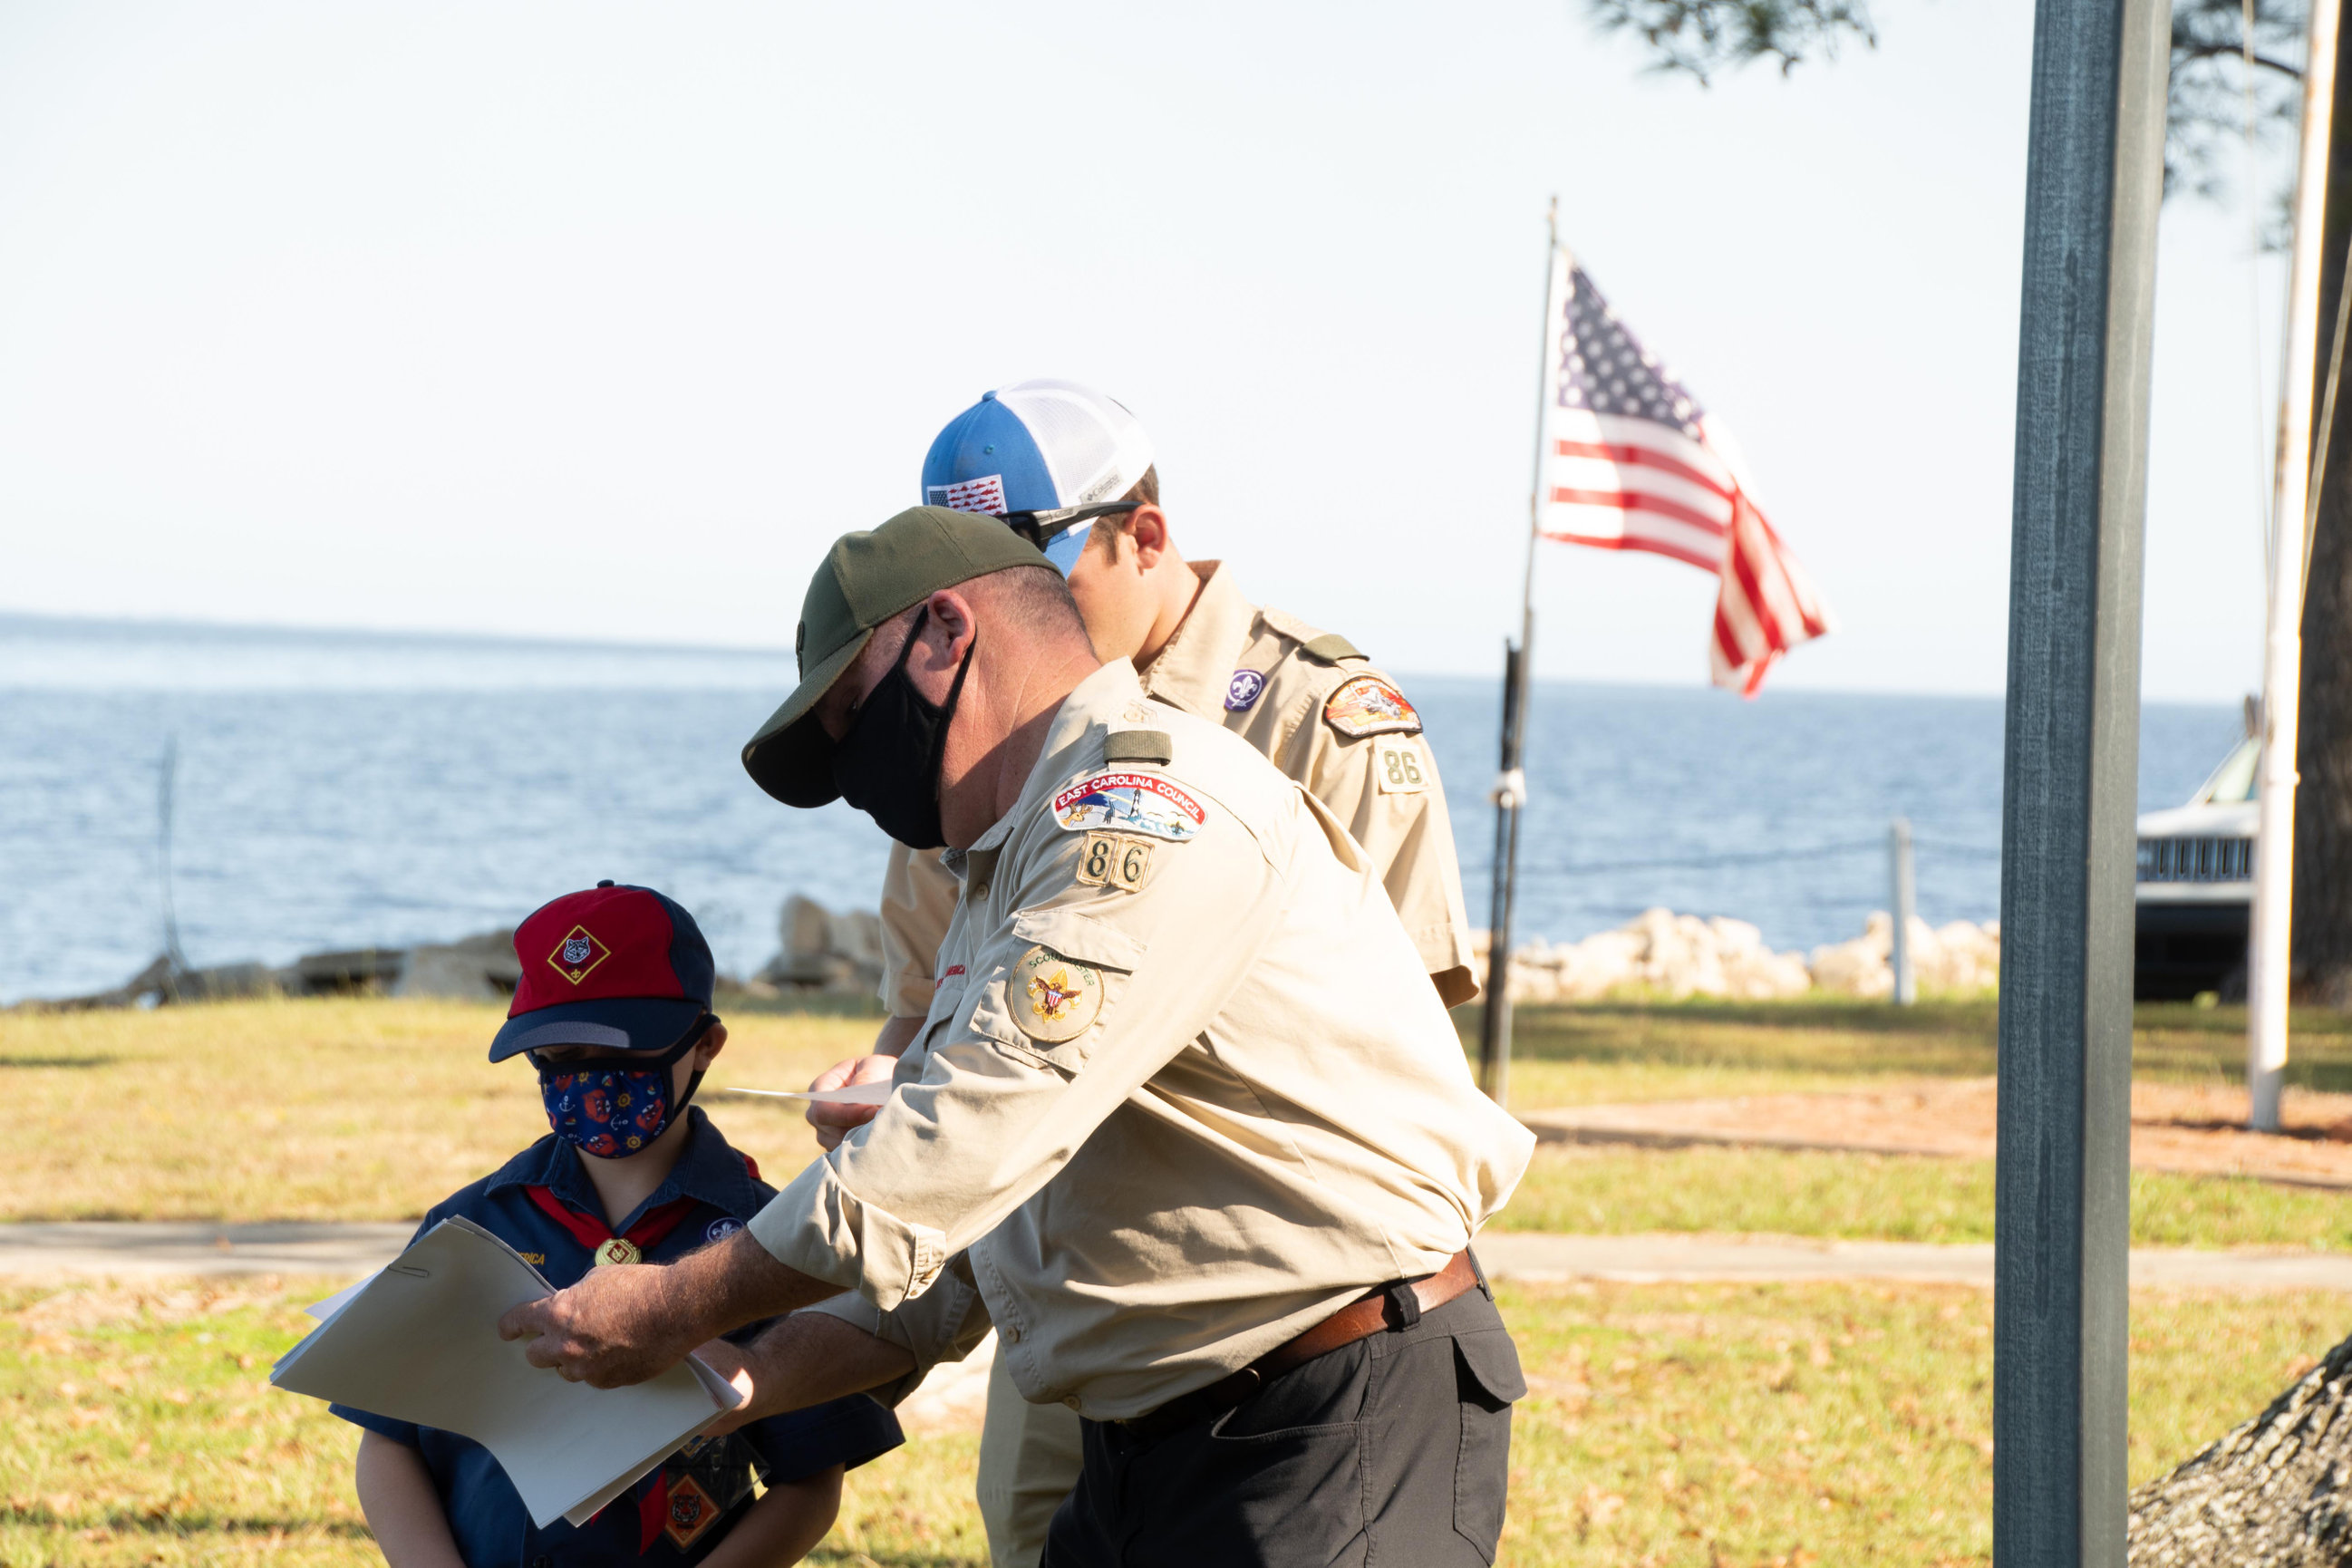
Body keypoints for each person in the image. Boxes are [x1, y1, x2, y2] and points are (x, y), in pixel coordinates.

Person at [497, 508, 1535, 1567]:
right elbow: (953, 1247)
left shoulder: (1142, 812)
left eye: (853, 713)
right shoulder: (1014, 866)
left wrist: (673, 1301)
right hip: (1160, 1443)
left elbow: (958, 1142)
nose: (853, 769)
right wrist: (729, 1377)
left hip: (1332, 1420)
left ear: (947, 632)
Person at [819, 380, 1482, 1567]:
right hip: (1053, 1267)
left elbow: (1388, 1045)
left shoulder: (1313, 715)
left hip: (1275, 1315)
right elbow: (934, 1009)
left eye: (1032, 571)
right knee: (1033, 1527)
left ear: (1145, 535)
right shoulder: (962, 738)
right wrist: (893, 1089)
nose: (995, 617)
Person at [338, 880, 903, 1568]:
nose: (593, 1082)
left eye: (626, 1052)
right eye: (561, 1057)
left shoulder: (776, 1242)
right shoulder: (468, 1226)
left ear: (706, 1045)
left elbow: (810, 1479)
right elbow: (389, 1438)